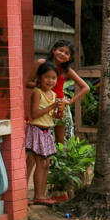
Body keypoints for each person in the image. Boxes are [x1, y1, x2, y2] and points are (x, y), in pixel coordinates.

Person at [33, 39, 90, 143]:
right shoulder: (41, 63)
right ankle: (48, 159)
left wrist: (70, 101)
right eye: (61, 50)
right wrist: (41, 85)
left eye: (67, 53)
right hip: (44, 104)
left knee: (62, 141)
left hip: (61, 105)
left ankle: (62, 159)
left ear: (69, 58)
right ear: (54, 50)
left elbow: (86, 87)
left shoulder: (67, 71)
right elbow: (28, 83)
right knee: (45, 139)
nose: (63, 54)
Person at [26, 62, 66, 204]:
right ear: (39, 78)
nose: (50, 80)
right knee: (40, 162)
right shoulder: (37, 93)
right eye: (47, 77)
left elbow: (49, 114)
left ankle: (42, 195)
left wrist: (58, 114)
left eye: (53, 78)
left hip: (46, 131)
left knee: (46, 164)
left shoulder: (54, 94)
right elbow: (35, 114)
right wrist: (52, 106)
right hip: (36, 130)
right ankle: (38, 195)